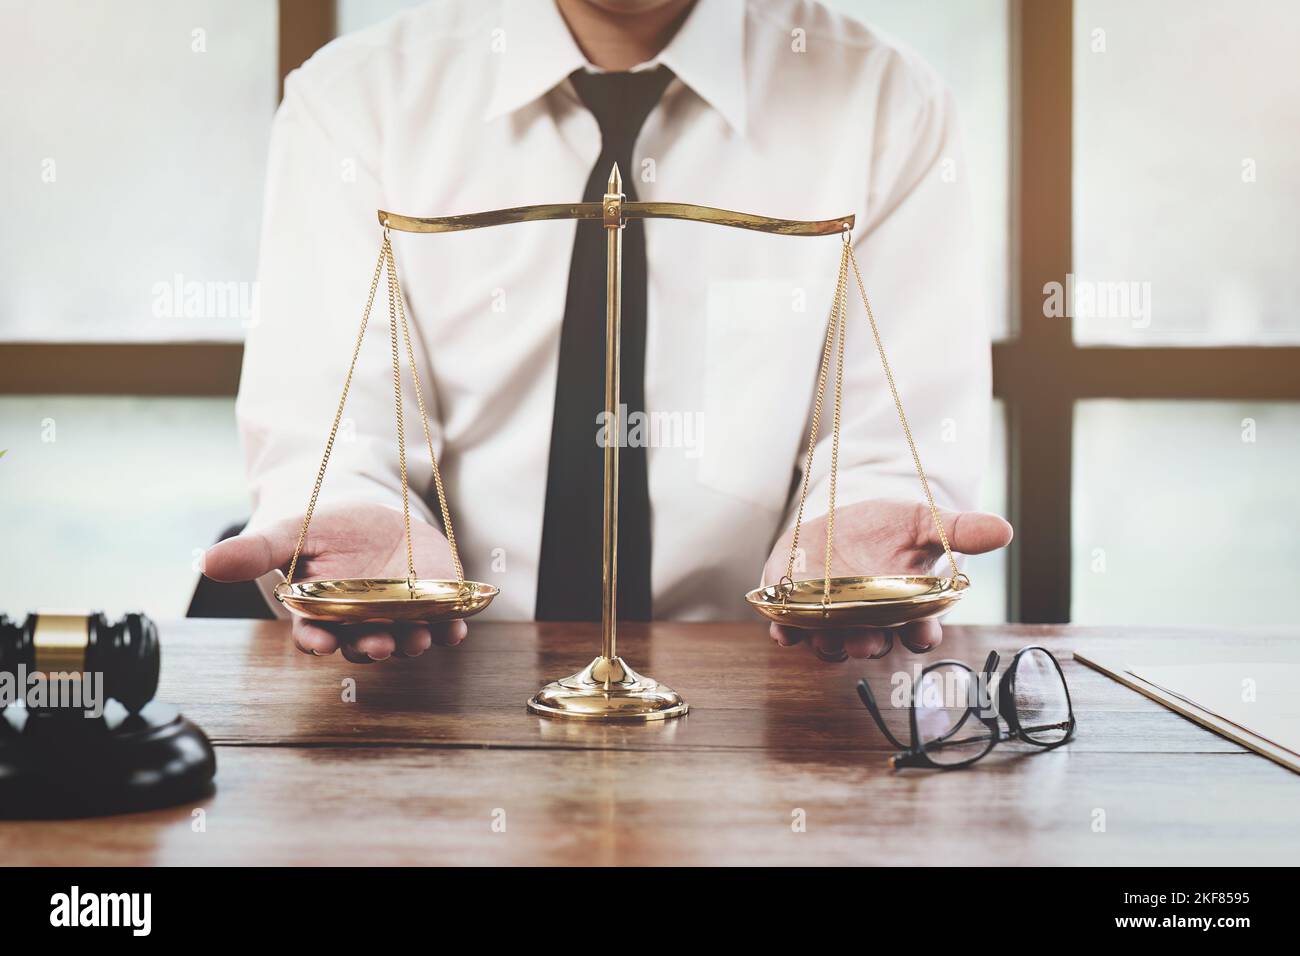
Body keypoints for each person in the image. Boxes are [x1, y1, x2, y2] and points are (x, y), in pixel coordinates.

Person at [202, 0, 1012, 664]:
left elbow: (885, 439)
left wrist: (861, 528)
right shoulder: (358, 98)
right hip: (434, 676)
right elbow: (333, 426)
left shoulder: (887, 102)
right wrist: (351, 513)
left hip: (757, 685)